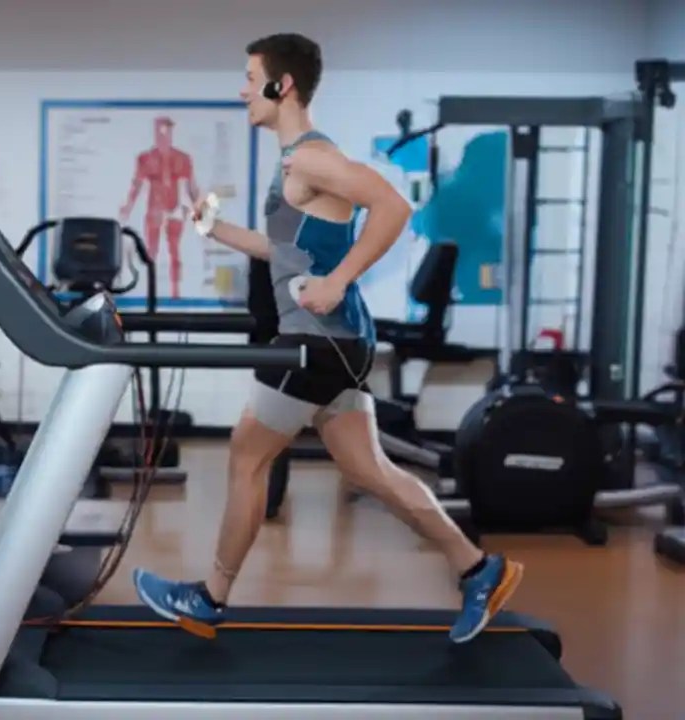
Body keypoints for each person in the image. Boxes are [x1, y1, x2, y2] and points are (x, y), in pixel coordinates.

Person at [132, 33, 523, 645]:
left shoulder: (310, 159)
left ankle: (209, 598)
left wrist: (338, 281)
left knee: (245, 455)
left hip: (318, 341)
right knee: (369, 471)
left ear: (280, 85)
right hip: (337, 342)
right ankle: (479, 569)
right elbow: (283, 253)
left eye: (249, 76)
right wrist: (216, 229)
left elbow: (394, 207)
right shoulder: (296, 164)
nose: (242, 89)